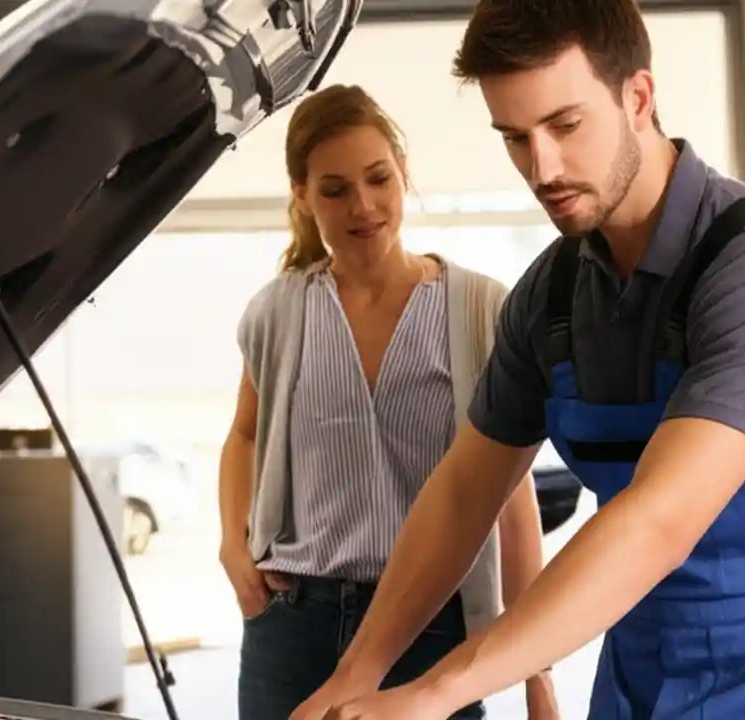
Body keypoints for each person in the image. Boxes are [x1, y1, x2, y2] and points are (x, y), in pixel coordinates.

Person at [290, 1, 745, 719]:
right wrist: (359, 673)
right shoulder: (551, 296)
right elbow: (463, 494)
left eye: (564, 126)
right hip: (639, 664)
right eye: (514, 137)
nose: (541, 167)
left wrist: (435, 693)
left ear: (638, 97)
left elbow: (658, 521)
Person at [217, 83, 561, 720]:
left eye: (379, 179)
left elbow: (511, 499)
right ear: (301, 194)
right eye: (335, 189)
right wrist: (232, 546)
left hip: (433, 629)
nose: (364, 205)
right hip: (293, 625)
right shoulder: (278, 311)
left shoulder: (479, 310)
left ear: (404, 175)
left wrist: (538, 678)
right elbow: (242, 435)